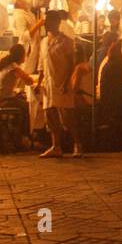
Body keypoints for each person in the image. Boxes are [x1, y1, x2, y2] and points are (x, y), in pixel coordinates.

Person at [38, 10, 83, 158]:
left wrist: (65, 82)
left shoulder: (67, 41)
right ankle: (56, 146)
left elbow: (72, 64)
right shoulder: (44, 42)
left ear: (56, 23)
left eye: (48, 21)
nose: (45, 24)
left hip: (62, 82)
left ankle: (77, 145)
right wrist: (39, 82)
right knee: (50, 116)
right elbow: (41, 65)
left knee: (67, 116)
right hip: (48, 83)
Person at [0, 44, 33, 122]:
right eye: (24, 54)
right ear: (20, 55)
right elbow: (29, 81)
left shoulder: (8, 63)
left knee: (24, 97)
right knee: (29, 106)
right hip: (3, 101)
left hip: (1, 98)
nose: (25, 56)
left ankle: (17, 125)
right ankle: (25, 130)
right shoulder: (13, 67)